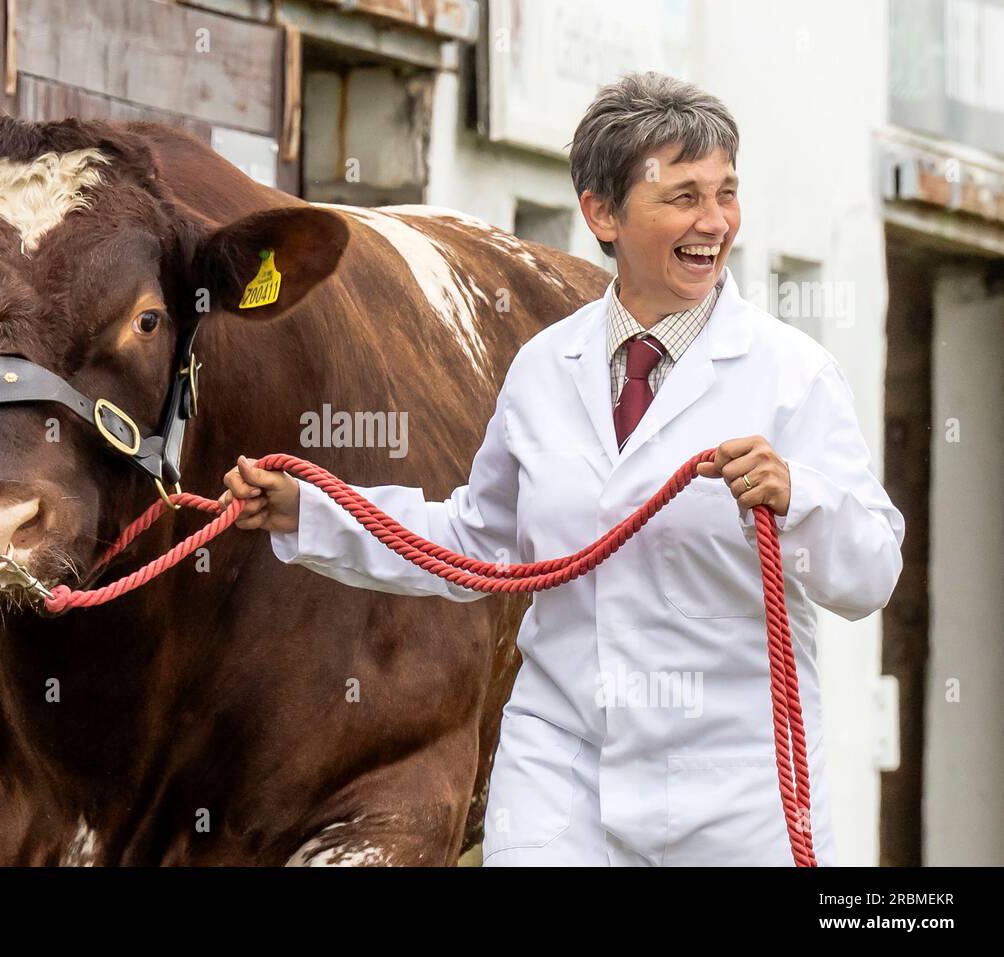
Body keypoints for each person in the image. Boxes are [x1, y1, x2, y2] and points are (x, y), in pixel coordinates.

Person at [218, 72, 904, 866]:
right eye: (683, 196)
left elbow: (872, 573)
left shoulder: (793, 375)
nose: (714, 222)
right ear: (602, 213)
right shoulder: (546, 367)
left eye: (726, 193)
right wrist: (314, 512)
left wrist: (801, 498)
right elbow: (478, 543)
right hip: (561, 775)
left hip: (734, 794)